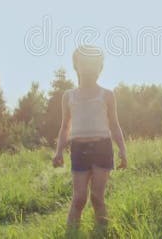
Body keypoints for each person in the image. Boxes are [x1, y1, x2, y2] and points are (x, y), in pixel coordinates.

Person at [53, 46, 128, 229]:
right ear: (76, 66)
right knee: (79, 199)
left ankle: (102, 231)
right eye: (84, 64)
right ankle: (71, 233)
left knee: (97, 197)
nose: (89, 68)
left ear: (100, 68)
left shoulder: (107, 95)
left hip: (102, 148)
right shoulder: (68, 96)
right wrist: (58, 152)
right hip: (79, 150)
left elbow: (115, 125)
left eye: (93, 65)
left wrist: (123, 151)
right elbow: (65, 127)